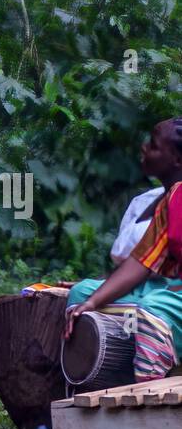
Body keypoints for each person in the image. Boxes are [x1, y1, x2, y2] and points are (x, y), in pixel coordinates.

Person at [65, 119, 182, 380]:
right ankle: (98, 387)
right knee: (81, 294)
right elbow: (140, 262)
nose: (143, 147)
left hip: (167, 298)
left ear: (176, 159)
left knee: (155, 308)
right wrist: (92, 301)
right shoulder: (170, 200)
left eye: (152, 145)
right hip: (170, 292)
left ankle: (150, 401)